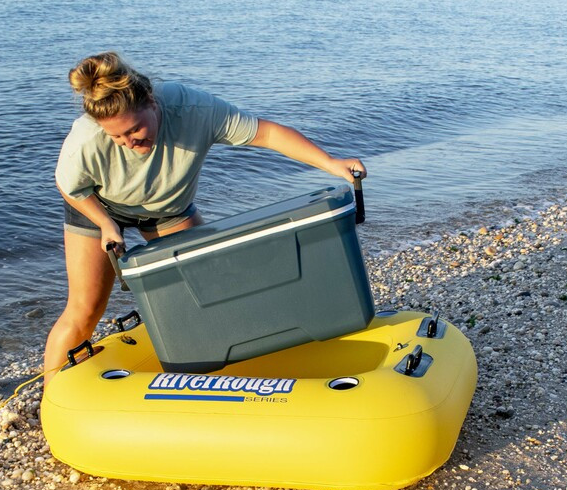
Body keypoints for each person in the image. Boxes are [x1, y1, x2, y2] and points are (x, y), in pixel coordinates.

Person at [44, 52, 366, 383]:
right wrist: (106, 224)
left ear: (152, 102)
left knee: (216, 291)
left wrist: (331, 163)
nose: (129, 142)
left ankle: (231, 374)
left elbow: (267, 134)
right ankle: (51, 398)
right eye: (117, 138)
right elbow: (69, 186)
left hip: (168, 208)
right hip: (100, 208)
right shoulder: (86, 138)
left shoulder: (193, 110)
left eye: (134, 129)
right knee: (84, 310)